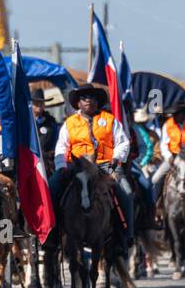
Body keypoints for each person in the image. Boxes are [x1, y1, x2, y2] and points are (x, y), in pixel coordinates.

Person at [48, 84, 134, 253]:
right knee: (51, 188)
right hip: (77, 165)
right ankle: (52, 233)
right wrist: (61, 166)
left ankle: (126, 233)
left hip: (105, 165)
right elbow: (61, 147)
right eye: (83, 98)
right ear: (78, 103)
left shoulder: (109, 120)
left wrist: (116, 158)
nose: (88, 100)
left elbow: (123, 142)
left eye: (92, 97)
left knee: (127, 192)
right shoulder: (70, 123)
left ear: (97, 101)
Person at [31, 90, 61, 169]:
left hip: (48, 162)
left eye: (41, 103)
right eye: (36, 103)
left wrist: (52, 154)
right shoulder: (25, 121)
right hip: (29, 160)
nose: (39, 106)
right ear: (31, 104)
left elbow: (57, 140)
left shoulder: (51, 121)